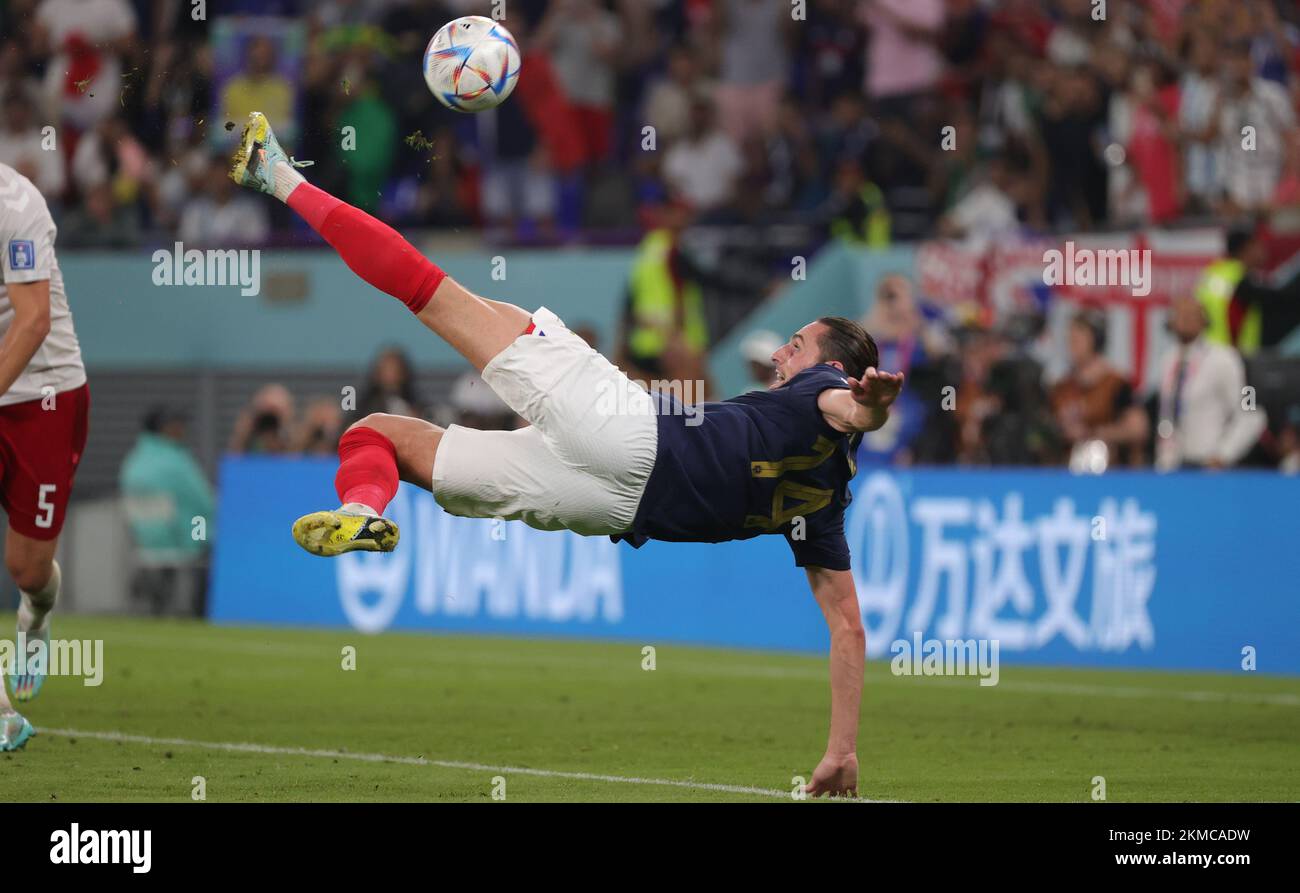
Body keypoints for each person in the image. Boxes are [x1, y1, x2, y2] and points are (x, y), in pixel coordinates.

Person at [229, 112, 906, 797]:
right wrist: (840, 750)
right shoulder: (826, 506)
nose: (787, 348)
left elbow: (848, 409)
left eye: (800, 341)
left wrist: (870, 405)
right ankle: (360, 509)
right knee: (375, 435)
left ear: (837, 369)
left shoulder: (824, 392)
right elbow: (848, 625)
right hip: (610, 505)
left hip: (629, 429)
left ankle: (274, 173)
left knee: (432, 293)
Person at [0, 162, 90, 750]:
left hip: (44, 396)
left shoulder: (15, 204)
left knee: (27, 569)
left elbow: (34, 322)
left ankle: (37, 612)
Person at [1154, 294, 1267, 471]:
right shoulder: (1168, 361)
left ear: (1204, 320)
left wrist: (1223, 455)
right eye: (1179, 314)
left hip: (1210, 465)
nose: (1184, 319)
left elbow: (1251, 413)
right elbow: (1166, 415)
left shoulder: (1225, 358)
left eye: (1191, 314)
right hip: (1175, 466)